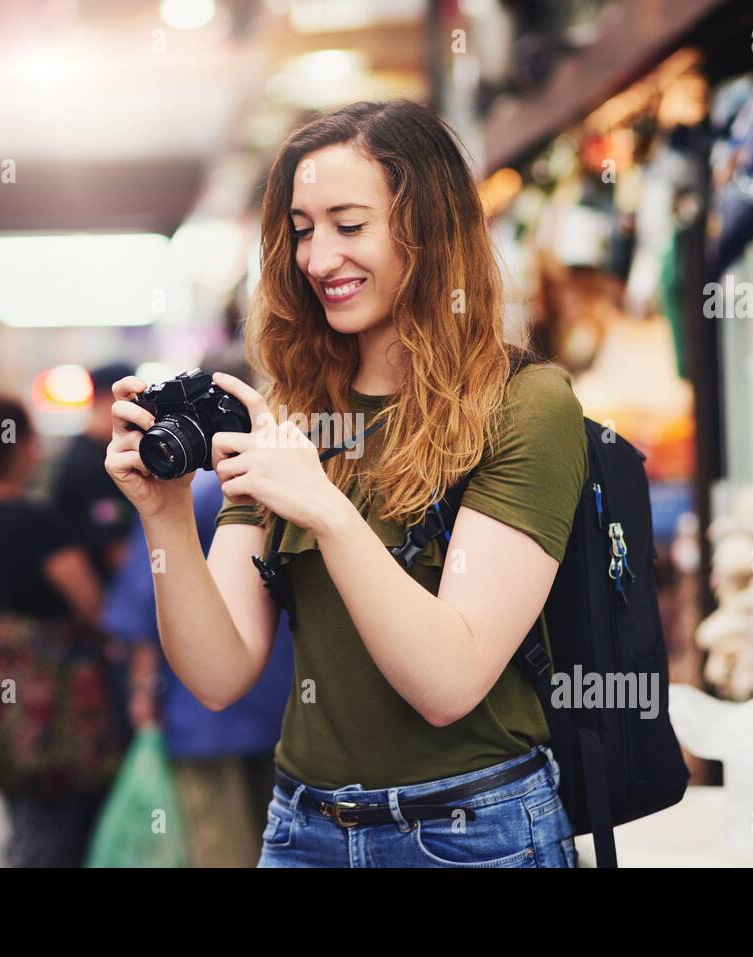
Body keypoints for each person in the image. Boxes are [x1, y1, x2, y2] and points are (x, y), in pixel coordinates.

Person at [104, 99, 588, 868]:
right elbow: (220, 673)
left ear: (427, 229)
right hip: (303, 829)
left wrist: (326, 509)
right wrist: (163, 516)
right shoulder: (293, 411)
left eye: (348, 225)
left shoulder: (527, 404)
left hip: (472, 833)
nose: (317, 258)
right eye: (301, 229)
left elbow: (449, 680)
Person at [101, 346, 294, 868]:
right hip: (278, 706)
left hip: (205, 718)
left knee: (223, 848)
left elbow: (145, 591)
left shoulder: (190, 476)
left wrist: (143, 691)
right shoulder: (270, 469)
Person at [0, 391, 119, 867]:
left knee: (25, 818)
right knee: (55, 830)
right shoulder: (37, 524)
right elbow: (92, 604)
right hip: (53, 708)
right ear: (21, 447)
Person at [50, 362, 137, 586]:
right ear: (108, 400)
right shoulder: (91, 464)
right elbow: (116, 552)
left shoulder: (91, 453)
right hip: (102, 599)